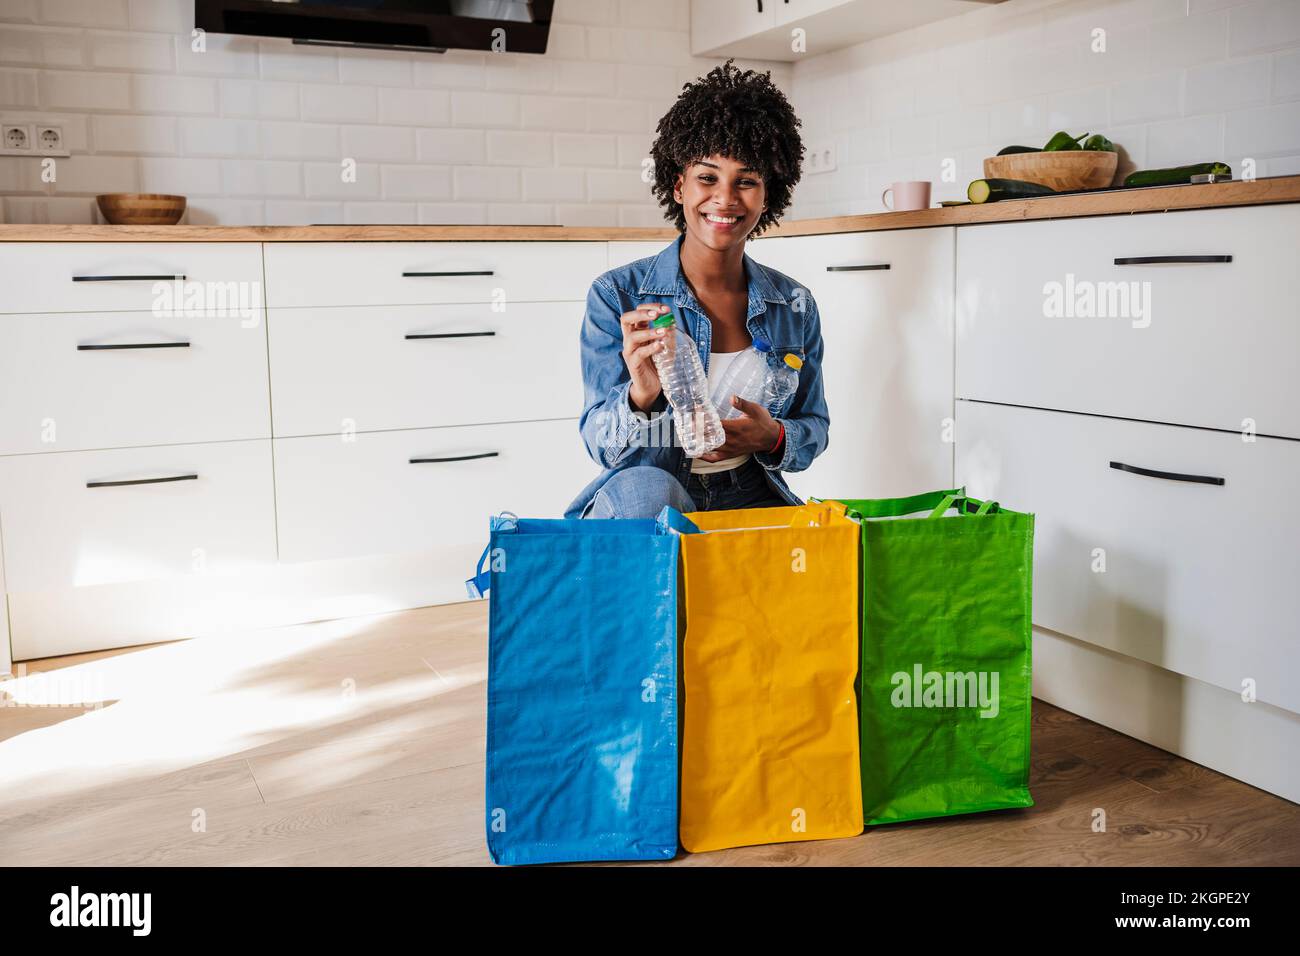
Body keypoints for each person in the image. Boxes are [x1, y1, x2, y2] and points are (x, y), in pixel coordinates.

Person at [564, 60, 829, 520]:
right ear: (678, 186)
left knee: (817, 565)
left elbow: (813, 427)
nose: (725, 198)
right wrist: (641, 395)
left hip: (751, 486)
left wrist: (773, 438)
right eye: (707, 178)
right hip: (648, 492)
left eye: (745, 181)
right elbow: (600, 444)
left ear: (768, 194)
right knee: (653, 497)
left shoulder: (795, 305)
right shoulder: (617, 295)